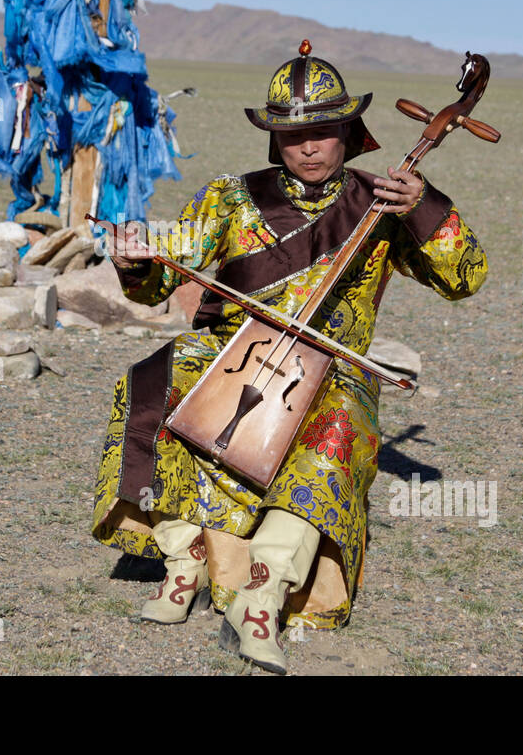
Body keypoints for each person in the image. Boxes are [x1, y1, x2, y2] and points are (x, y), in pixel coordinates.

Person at [89, 41, 489, 674]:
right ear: (274, 137)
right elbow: (160, 281)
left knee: (337, 434)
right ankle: (182, 556)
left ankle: (263, 594)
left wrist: (426, 206)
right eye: (292, 133)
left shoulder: (383, 202)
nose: (308, 147)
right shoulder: (231, 196)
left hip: (335, 368)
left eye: (322, 133)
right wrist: (133, 261)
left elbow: (464, 278)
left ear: (347, 132)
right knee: (149, 382)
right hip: (233, 349)